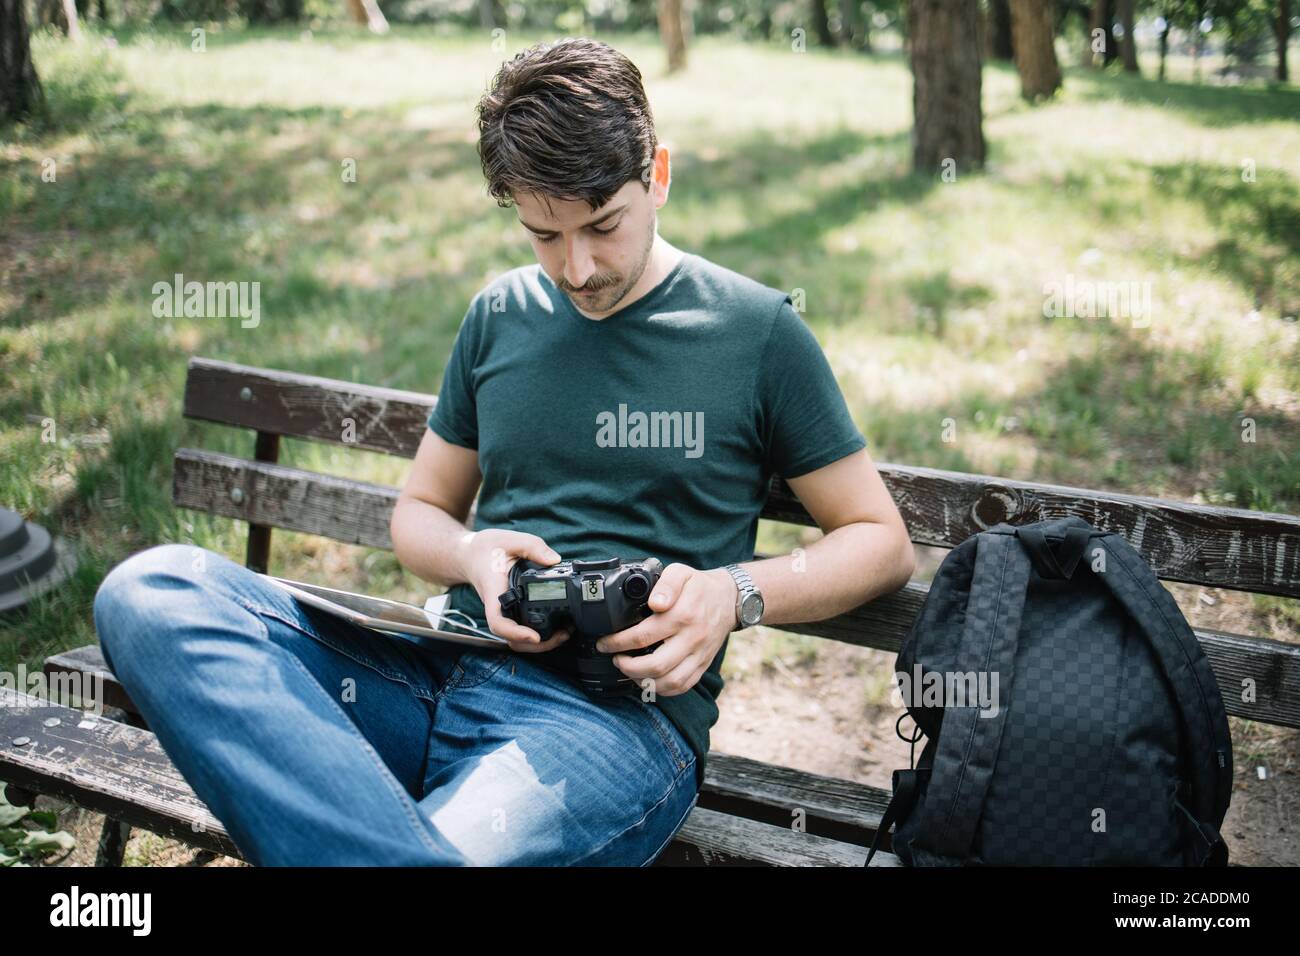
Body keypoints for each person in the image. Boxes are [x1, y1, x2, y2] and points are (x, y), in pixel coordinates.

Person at [93, 36, 916, 867]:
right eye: (543, 235)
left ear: (658, 172)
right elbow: (419, 514)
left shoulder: (757, 333)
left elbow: (880, 542)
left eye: (603, 226)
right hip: (428, 671)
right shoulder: (499, 315)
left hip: (607, 726)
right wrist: (473, 554)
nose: (578, 268)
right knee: (151, 592)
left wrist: (732, 592)